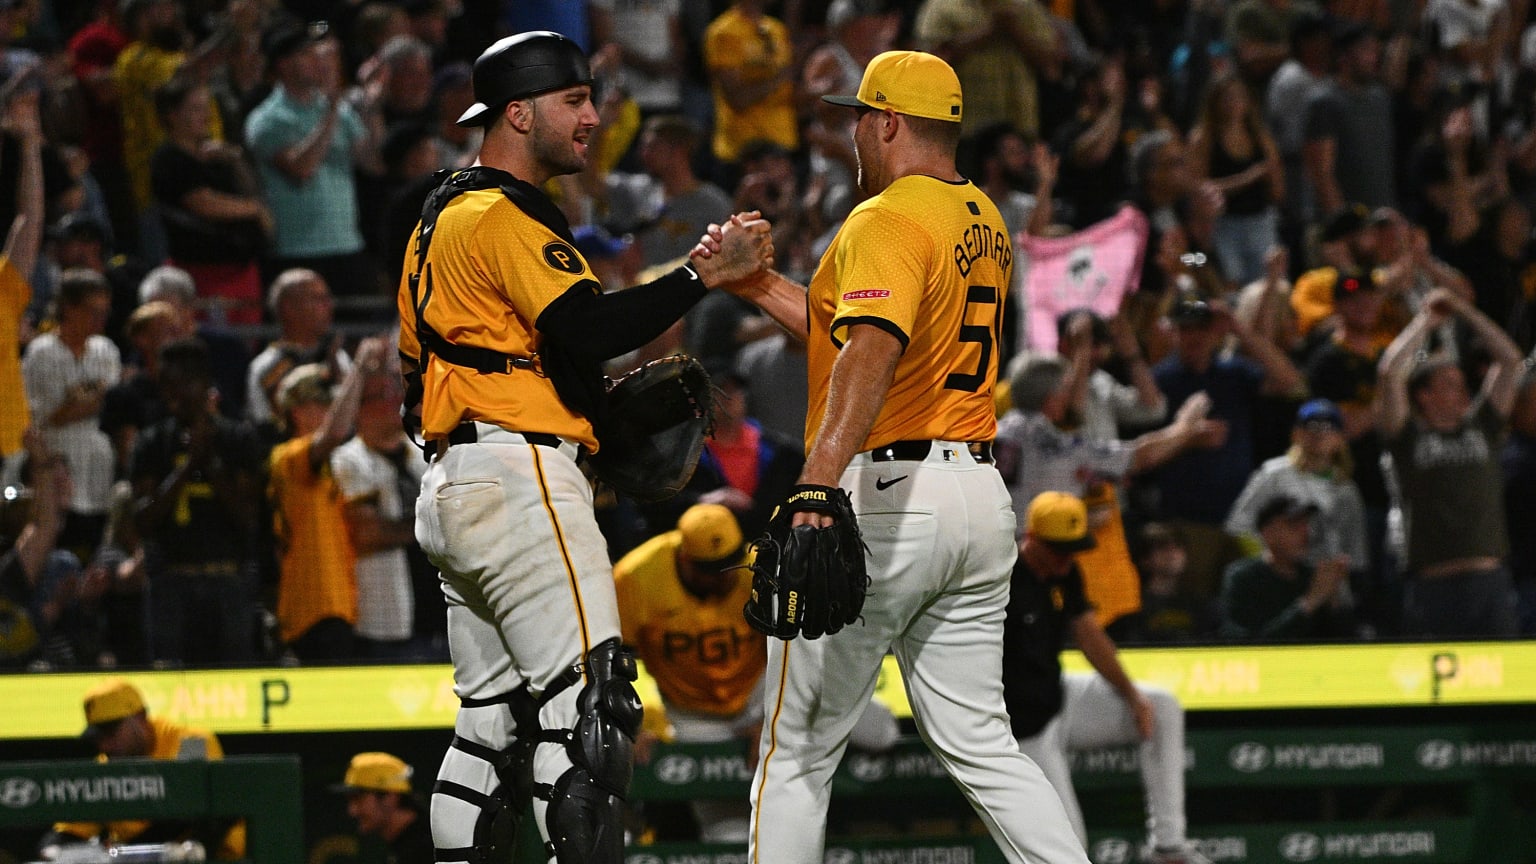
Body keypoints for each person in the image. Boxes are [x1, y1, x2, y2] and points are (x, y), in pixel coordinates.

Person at [699, 49, 1089, 864]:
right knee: (986, 746)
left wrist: (813, 486)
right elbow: (857, 334)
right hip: (978, 497)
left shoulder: (884, 217)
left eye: (857, 119)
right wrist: (759, 286)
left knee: (799, 751)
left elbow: (871, 348)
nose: (851, 136)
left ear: (886, 122)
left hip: (887, 491)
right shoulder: (980, 213)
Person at [396, 31, 769, 864]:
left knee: (488, 726)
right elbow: (588, 327)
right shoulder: (499, 211)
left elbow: (427, 373)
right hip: (518, 475)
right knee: (592, 710)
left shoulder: (433, 225)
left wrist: (580, 409)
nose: (595, 117)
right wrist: (702, 274)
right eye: (576, 100)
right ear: (518, 112)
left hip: (454, 481)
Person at [1004, 492, 1206, 864]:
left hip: (1057, 696)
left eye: (1072, 550)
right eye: (1058, 550)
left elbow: (1089, 635)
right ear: (1031, 538)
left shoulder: (1064, 571)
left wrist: (1131, 696)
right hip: (1020, 728)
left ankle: (1167, 847)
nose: (1066, 560)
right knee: (1067, 853)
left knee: (1159, 705)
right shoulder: (998, 577)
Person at [1375, 288, 1526, 637]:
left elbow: (1510, 360)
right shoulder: (1407, 436)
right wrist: (1425, 321)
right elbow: (1389, 372)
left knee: (1501, 685)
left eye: (1462, 386)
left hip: (1490, 578)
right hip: (1434, 584)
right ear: (1424, 395)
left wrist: (1464, 310)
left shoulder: (1482, 425)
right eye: (1449, 385)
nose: (1461, 394)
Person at [43, 679, 246, 859]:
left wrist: (125, 853)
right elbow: (70, 832)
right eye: (99, 737)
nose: (105, 745)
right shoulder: (105, 765)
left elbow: (186, 816)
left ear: (140, 717)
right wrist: (52, 851)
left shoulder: (192, 740)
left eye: (111, 732)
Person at [1218, 495, 1354, 641]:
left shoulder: (1311, 576)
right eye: (1293, 526)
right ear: (1268, 534)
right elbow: (1245, 641)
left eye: (1306, 524)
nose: (1305, 533)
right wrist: (1309, 603)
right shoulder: (1243, 577)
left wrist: (1333, 598)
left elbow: (1344, 640)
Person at [333, 752, 432, 864]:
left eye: (359, 799)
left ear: (390, 797)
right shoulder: (412, 844)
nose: (352, 811)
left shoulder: (430, 848)